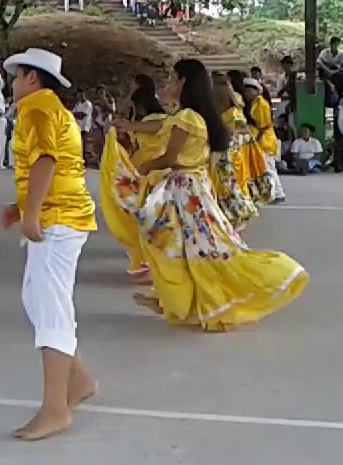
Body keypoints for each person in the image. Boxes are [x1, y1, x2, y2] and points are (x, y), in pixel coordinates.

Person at [107, 58, 308, 331]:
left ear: (184, 82)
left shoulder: (188, 117)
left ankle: (190, 299)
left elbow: (169, 157)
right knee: (185, 245)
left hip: (184, 191)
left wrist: (140, 167)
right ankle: (175, 300)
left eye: (173, 79)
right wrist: (128, 127)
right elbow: (160, 127)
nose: (169, 84)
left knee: (186, 245)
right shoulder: (190, 116)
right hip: (189, 188)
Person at [0, 48, 97, 441]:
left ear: (32, 78)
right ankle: (80, 380)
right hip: (62, 212)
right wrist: (22, 206)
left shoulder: (36, 109)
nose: (14, 84)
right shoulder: (52, 108)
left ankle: (56, 408)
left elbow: (45, 161)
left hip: (58, 218)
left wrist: (32, 214)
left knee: (51, 308)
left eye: (17, 76)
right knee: (38, 300)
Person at [100, 87, 169, 283]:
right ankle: (150, 261)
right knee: (145, 218)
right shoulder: (142, 122)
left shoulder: (159, 119)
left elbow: (158, 126)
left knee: (147, 218)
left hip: (156, 170)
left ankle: (153, 263)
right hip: (144, 170)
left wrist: (130, 125)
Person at [209, 77, 261, 229]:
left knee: (231, 190)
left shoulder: (232, 115)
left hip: (231, 159)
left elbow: (238, 133)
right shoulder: (231, 111)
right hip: (232, 158)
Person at [241, 78, 284, 202]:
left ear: (256, 91)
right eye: (246, 91)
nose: (247, 93)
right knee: (267, 167)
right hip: (261, 139)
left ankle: (277, 193)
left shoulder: (261, 104)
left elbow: (264, 126)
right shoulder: (254, 103)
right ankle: (274, 192)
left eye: (250, 90)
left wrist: (257, 140)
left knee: (268, 167)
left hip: (264, 140)